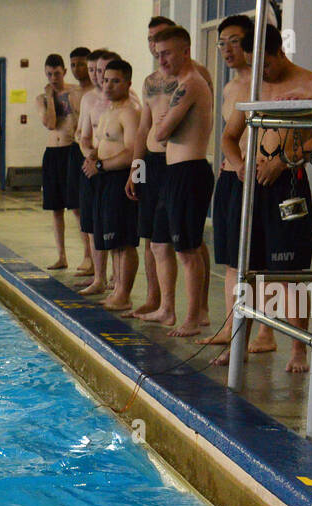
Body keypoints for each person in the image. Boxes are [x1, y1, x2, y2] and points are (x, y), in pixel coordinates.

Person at [219, 24, 312, 373]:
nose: (260, 71)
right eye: (253, 64)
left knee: (289, 274)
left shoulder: (307, 84)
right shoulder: (250, 86)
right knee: (246, 270)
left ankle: (298, 350)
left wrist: (281, 162)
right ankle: (239, 347)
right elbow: (229, 137)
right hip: (252, 187)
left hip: (288, 186)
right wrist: (240, 165)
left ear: (279, 52)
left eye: (265, 63)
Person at [148, 26, 215, 338]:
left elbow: (160, 133)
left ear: (185, 51)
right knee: (160, 242)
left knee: (187, 250)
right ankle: (167, 308)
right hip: (172, 172)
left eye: (167, 53)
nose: (161, 59)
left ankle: (193, 316)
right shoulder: (178, 86)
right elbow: (159, 131)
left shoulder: (190, 85)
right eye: (158, 53)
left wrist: (163, 124)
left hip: (189, 172)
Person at [201, 15, 256, 349]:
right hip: (232, 176)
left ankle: (265, 332)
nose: (226, 49)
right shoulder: (230, 86)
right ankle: (229, 326)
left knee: (258, 260)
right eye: (222, 42)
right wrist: (233, 164)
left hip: (260, 176)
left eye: (234, 41)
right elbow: (229, 136)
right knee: (231, 259)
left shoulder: (262, 84)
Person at [127, 18, 181, 322]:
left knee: (188, 240)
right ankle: (154, 298)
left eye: (158, 39)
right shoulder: (149, 82)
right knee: (148, 233)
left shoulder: (192, 78)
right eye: (150, 39)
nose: (153, 45)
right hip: (150, 162)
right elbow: (143, 128)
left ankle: (195, 307)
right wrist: (136, 169)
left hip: (176, 163)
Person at [89, 59, 141, 314]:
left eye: (115, 81)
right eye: (106, 80)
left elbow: (132, 151)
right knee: (113, 240)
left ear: (128, 83)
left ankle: (124, 294)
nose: (108, 85)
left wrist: (101, 166)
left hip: (120, 179)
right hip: (105, 179)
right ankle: (118, 289)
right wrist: (94, 159)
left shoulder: (129, 112)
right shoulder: (109, 111)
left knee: (123, 241)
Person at [75, 51, 116, 294]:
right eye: (94, 71)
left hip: (111, 169)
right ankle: (98, 278)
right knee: (90, 224)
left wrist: (99, 159)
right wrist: (90, 155)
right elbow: (83, 135)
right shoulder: (89, 100)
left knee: (112, 226)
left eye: (101, 71)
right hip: (90, 168)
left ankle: (115, 277)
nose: (97, 76)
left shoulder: (126, 101)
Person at [38, 53, 78, 270]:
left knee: (77, 208)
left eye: (56, 73)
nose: (53, 77)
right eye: (49, 74)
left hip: (71, 152)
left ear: (64, 71)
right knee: (56, 209)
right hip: (52, 154)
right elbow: (51, 124)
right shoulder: (41, 99)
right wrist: (50, 98)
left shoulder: (75, 93)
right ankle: (61, 256)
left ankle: (88, 256)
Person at [65, 47, 96, 275]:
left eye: (82, 64)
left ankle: (96, 259)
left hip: (95, 153)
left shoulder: (98, 91)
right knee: (76, 206)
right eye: (74, 65)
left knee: (93, 208)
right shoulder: (72, 93)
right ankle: (88, 253)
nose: (78, 69)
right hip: (76, 149)